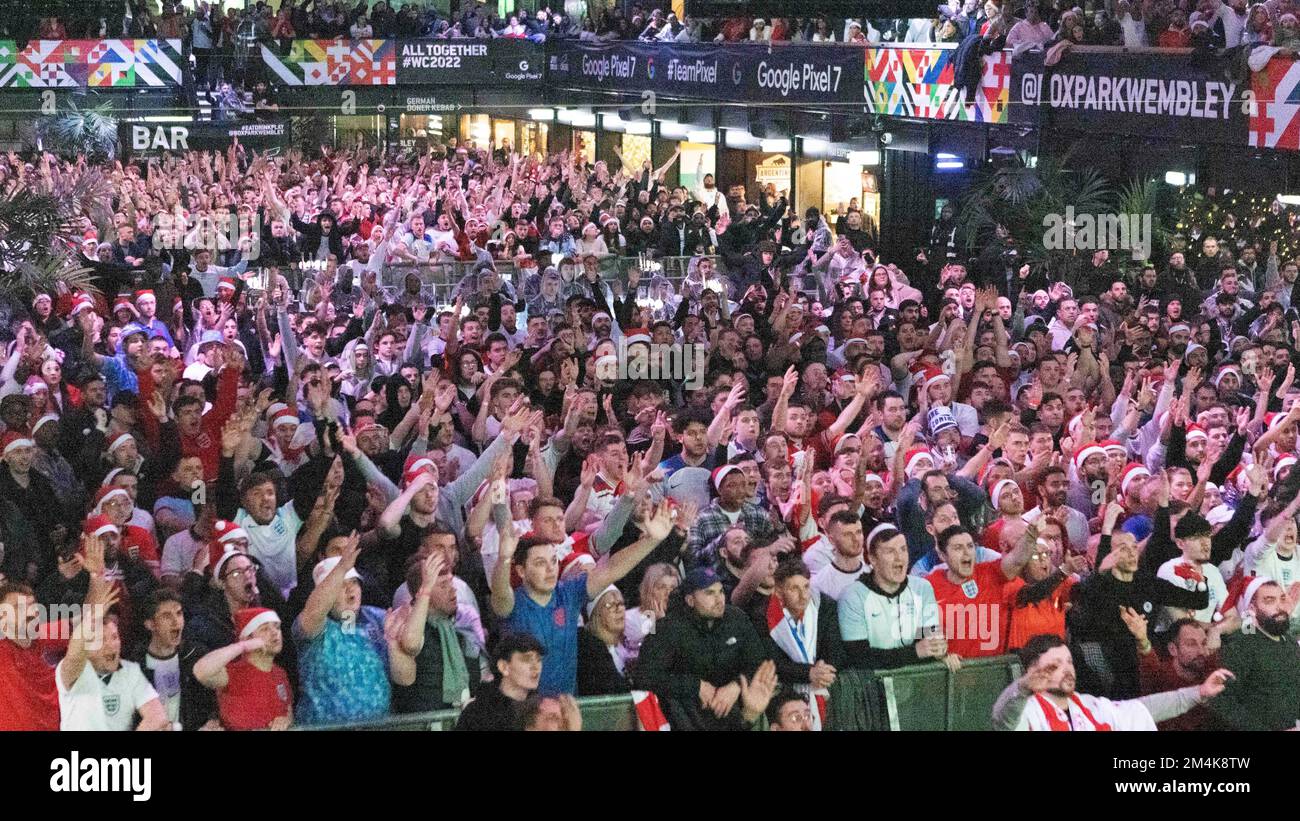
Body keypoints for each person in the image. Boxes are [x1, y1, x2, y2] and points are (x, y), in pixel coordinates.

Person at [992, 634, 1233, 730]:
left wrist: (1199, 692)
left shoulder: (1087, 705)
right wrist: (1022, 687)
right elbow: (1003, 719)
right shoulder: (1026, 710)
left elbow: (1143, 708)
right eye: (1055, 665)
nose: (1067, 670)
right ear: (1031, 670)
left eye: (1069, 661)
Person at [635, 567, 772, 730]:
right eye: (709, 593)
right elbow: (645, 677)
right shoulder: (668, 628)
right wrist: (695, 686)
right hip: (683, 720)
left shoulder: (736, 618)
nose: (719, 599)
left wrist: (736, 686)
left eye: (721, 592)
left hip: (733, 718)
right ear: (690, 600)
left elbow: (759, 661)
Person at [761, 556, 844, 729]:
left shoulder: (826, 606)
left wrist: (821, 672)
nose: (803, 595)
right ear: (779, 592)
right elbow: (772, 663)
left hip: (826, 687)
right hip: (785, 697)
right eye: (794, 589)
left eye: (806, 586)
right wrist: (808, 673)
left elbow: (836, 651)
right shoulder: (764, 616)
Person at [1207, 578, 1300, 730]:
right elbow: (1222, 701)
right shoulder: (1240, 646)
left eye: (1282, 599)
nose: (1280, 607)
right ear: (1253, 608)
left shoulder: (1289, 642)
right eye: (1270, 601)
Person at [193, 607, 293, 730]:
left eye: (277, 627)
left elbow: (288, 712)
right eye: (265, 629)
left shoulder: (280, 674)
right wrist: (243, 646)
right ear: (248, 638)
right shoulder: (232, 673)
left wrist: (286, 720)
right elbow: (201, 671)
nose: (274, 632)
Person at [454, 631, 545, 731]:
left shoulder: (542, 711)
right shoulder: (478, 713)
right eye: (526, 659)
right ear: (504, 667)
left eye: (539, 660)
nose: (536, 667)